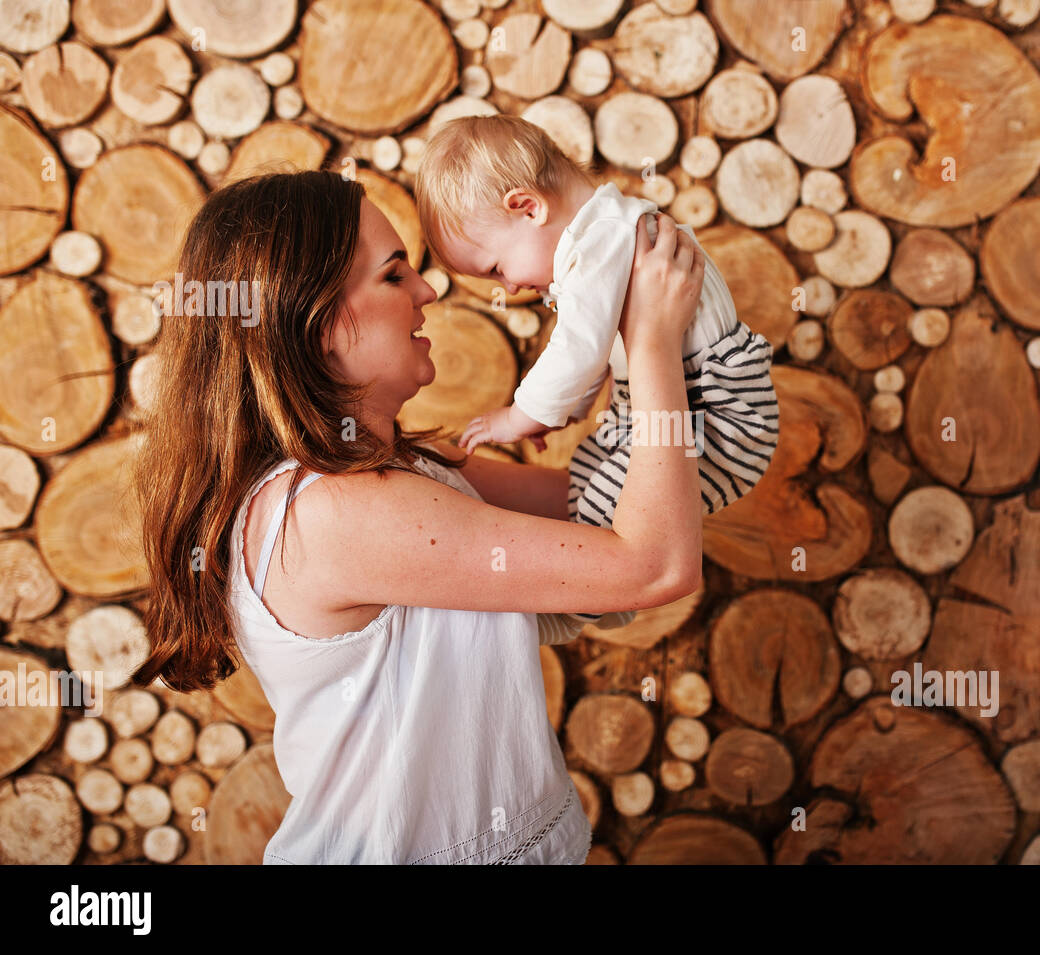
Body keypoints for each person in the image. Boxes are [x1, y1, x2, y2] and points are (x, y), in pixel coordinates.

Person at [131, 170, 706, 864]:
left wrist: (612, 334)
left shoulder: (408, 471)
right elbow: (655, 565)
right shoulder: (327, 513)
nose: (427, 291)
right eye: (394, 274)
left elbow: (618, 505)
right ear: (315, 320)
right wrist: (651, 347)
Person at [415, 114, 779, 646]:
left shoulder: (603, 239)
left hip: (721, 420)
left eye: (496, 267)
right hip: (674, 408)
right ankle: (599, 588)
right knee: (589, 473)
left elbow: (580, 346)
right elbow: (600, 347)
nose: (510, 285)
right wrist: (565, 411)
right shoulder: (603, 237)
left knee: (607, 511)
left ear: (527, 207)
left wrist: (522, 416)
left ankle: (596, 596)